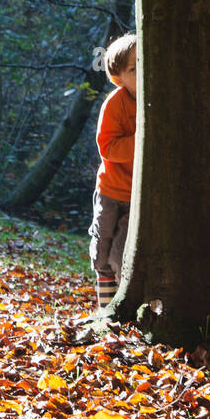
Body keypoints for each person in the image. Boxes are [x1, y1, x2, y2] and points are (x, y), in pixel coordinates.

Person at [88, 33, 136, 309]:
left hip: (135, 195)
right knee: (102, 247)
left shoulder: (155, 102)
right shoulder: (115, 104)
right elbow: (108, 147)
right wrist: (140, 139)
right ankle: (105, 307)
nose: (140, 72)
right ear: (118, 78)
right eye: (133, 68)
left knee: (121, 251)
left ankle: (121, 304)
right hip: (109, 190)